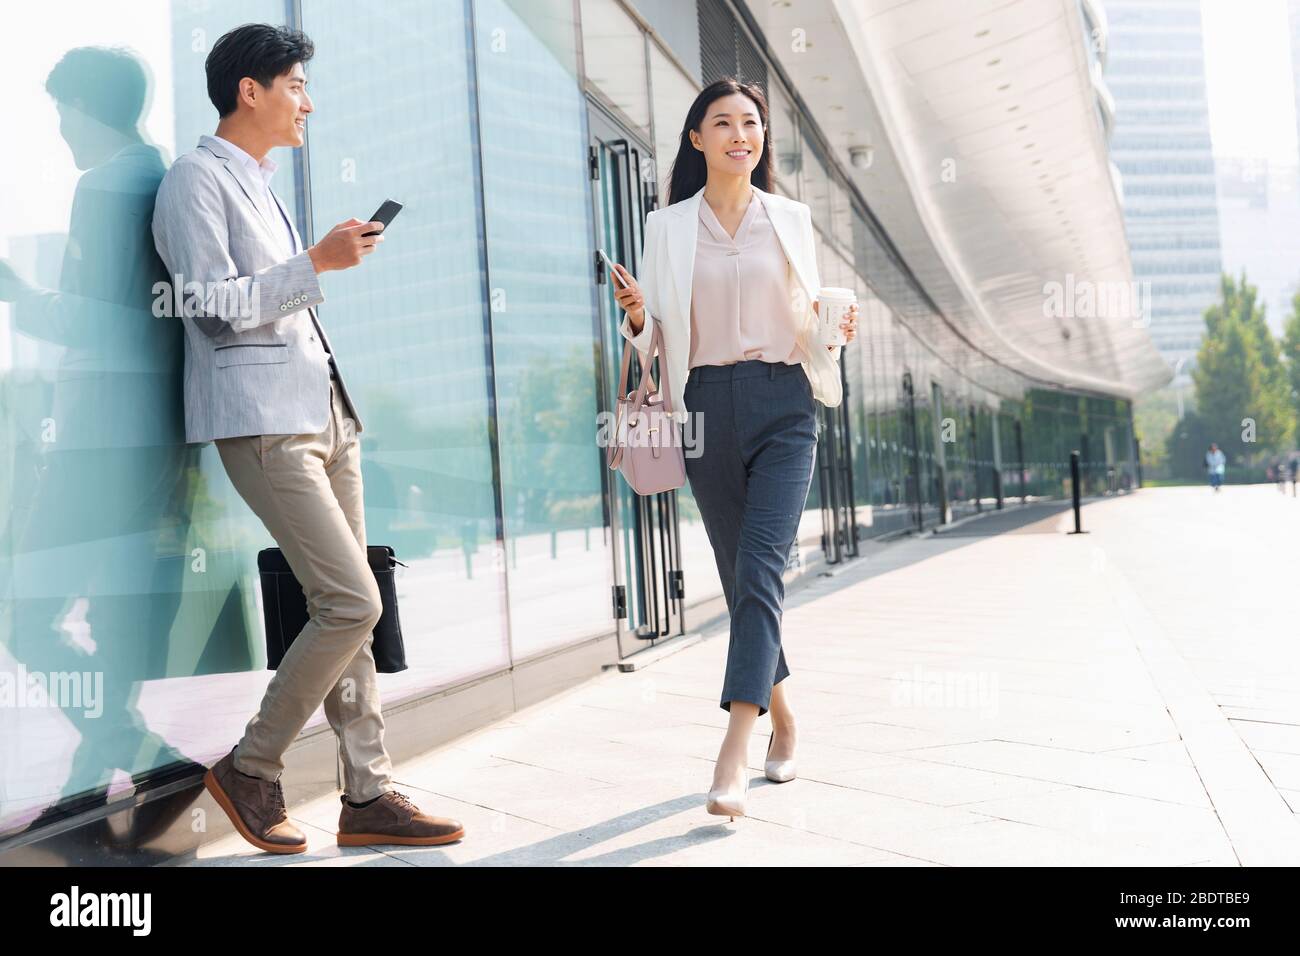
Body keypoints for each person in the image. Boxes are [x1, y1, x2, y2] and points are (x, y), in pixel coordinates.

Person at [152, 23, 462, 854]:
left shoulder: (260, 183)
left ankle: (369, 795)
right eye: (295, 85)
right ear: (248, 90)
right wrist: (315, 265)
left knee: (349, 611)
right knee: (353, 601)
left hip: (325, 413)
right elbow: (210, 305)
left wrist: (320, 260)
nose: (307, 103)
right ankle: (252, 767)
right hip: (262, 423)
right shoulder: (193, 179)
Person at [610, 77, 858, 821]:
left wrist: (831, 331)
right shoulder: (668, 228)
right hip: (706, 408)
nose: (739, 134)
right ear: (697, 139)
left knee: (759, 570)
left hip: (786, 405)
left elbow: (808, 321)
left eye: (750, 123)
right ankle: (784, 719)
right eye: (723, 123)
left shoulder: (791, 218)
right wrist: (634, 318)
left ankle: (734, 750)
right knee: (745, 578)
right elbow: (656, 342)